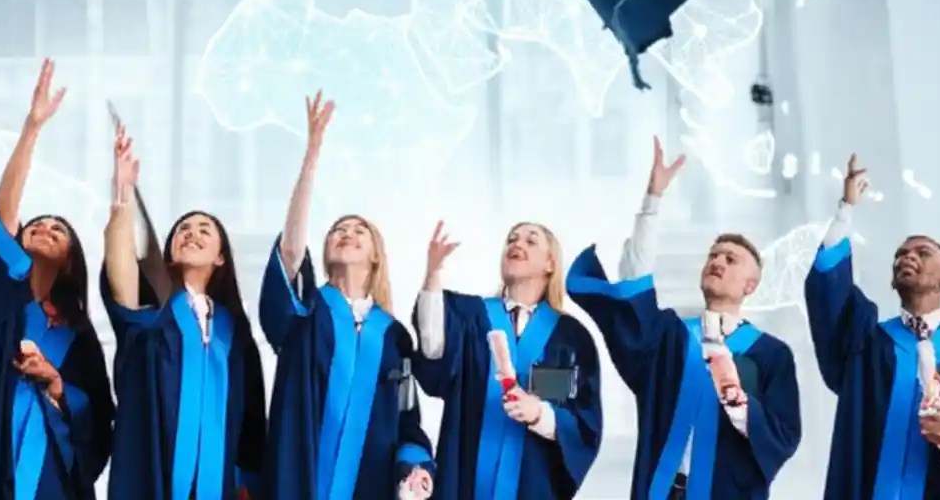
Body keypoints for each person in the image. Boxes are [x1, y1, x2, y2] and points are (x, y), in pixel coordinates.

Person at [567, 137, 802, 500]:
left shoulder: (772, 355)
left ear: (750, 285)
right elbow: (634, 290)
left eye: (731, 259)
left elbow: (783, 436)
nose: (718, 262)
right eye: (714, 255)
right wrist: (652, 201)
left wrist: (737, 400)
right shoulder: (671, 338)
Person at [0, 58, 115, 500]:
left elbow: (97, 422)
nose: (44, 228)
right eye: (36, 224)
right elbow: (2, 218)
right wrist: (31, 130)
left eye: (59, 230)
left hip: (48, 480)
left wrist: (56, 383)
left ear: (72, 258)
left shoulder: (78, 337)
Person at [260, 92, 436, 500]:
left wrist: (416, 470)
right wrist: (312, 156)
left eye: (359, 231)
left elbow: (407, 419)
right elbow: (289, 251)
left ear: (376, 256)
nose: (347, 233)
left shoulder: (394, 337)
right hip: (297, 484)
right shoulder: (305, 314)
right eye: (338, 230)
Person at [101, 122, 267, 499]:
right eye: (183, 229)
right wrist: (123, 195)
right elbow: (120, 269)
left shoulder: (233, 334)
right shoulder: (151, 315)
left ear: (221, 257)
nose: (191, 233)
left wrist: (246, 482)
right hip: (153, 481)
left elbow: (251, 423)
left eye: (204, 230)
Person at [806, 153, 940, 498]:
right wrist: (844, 210)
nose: (907, 257)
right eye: (901, 254)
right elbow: (828, 298)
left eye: (922, 252)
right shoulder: (867, 341)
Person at [412, 219, 603, 499]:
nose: (517, 244)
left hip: (531, 485)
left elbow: (582, 423)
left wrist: (540, 413)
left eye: (530, 240)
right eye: (512, 239)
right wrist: (432, 275)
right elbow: (433, 348)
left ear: (550, 263)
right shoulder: (470, 317)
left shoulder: (569, 338)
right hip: (465, 484)